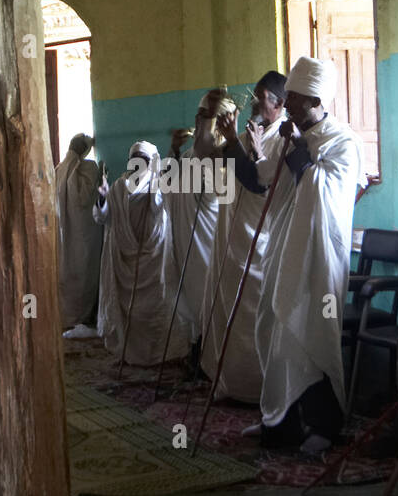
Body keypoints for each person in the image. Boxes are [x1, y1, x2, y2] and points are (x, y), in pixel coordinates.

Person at [252, 56, 365, 453]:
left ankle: (323, 426)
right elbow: (269, 184)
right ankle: (280, 421)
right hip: (284, 248)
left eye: (297, 99)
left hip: (319, 257)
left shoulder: (342, 141)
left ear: (317, 99)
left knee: (310, 336)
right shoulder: (290, 135)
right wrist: (283, 151)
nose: (290, 106)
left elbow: (332, 200)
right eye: (290, 99)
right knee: (274, 328)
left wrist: (303, 161)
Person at [202, 71, 287, 403]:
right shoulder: (249, 132)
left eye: (261, 97)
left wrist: (238, 144)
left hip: (261, 238)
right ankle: (233, 383)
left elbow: (258, 183)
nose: (254, 102)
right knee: (232, 316)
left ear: (279, 104)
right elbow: (208, 156)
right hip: (234, 238)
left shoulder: (281, 138)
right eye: (254, 96)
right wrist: (210, 119)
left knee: (255, 314)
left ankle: (260, 389)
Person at [94, 141, 190, 366]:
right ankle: (130, 353)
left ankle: (159, 355)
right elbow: (103, 218)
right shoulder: (118, 187)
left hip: (154, 258)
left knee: (156, 309)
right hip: (124, 261)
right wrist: (101, 199)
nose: (138, 164)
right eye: (135, 158)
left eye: (144, 160)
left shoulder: (158, 184)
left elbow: (164, 208)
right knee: (130, 313)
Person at [165, 89, 237, 353]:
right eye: (198, 113)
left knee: (207, 296)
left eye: (205, 114)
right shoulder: (188, 156)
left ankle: (212, 352)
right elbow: (167, 186)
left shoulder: (220, 159)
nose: (198, 119)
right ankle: (196, 345)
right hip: (184, 241)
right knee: (188, 297)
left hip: (205, 243)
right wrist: (173, 149)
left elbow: (220, 192)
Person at [55, 133, 104, 331]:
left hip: (63, 233)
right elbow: (85, 199)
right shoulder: (89, 168)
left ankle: (65, 315)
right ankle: (82, 315)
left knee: (66, 272)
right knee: (84, 272)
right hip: (84, 234)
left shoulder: (59, 169)